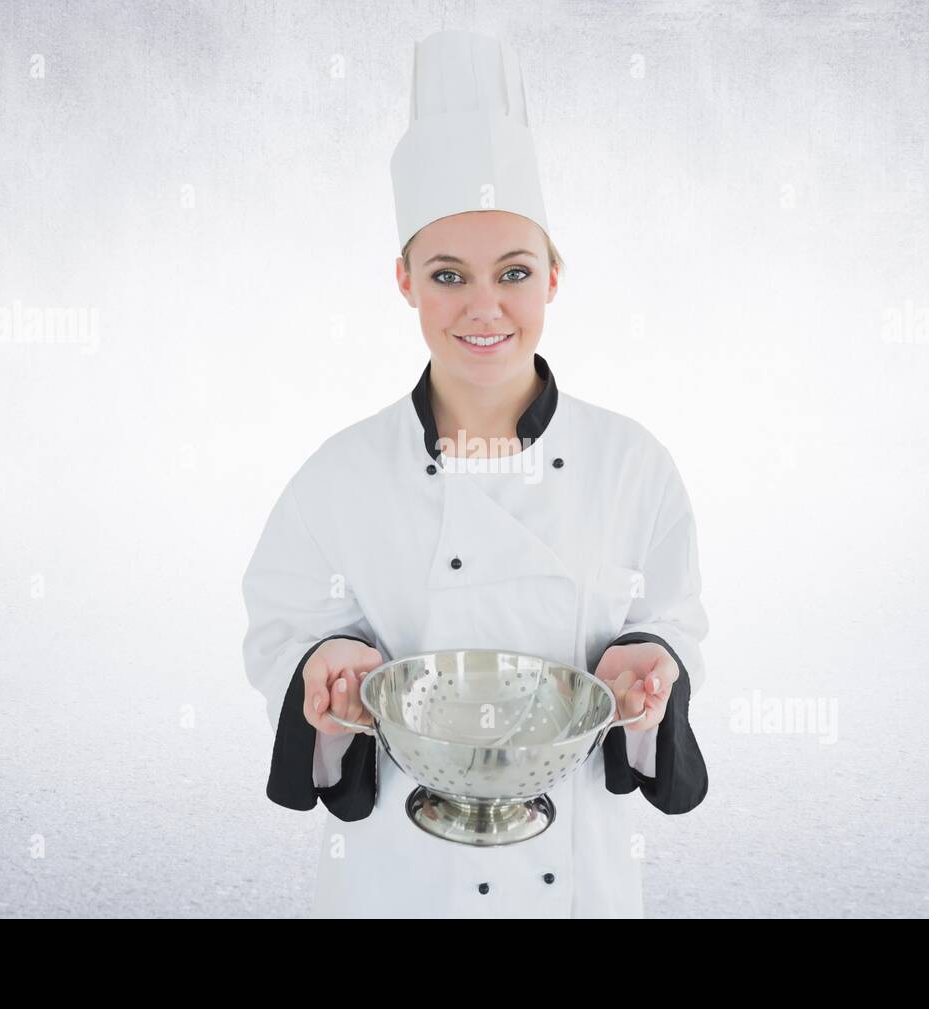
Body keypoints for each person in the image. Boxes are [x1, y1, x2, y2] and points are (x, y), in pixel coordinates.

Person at [241, 28, 709, 918]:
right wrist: (324, 669)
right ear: (405, 280)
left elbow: (673, 623)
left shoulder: (632, 464)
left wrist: (652, 669)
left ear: (554, 279)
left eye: (515, 272)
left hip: (575, 876)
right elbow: (280, 631)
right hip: (397, 878)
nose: (484, 308)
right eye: (448, 274)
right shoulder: (339, 476)